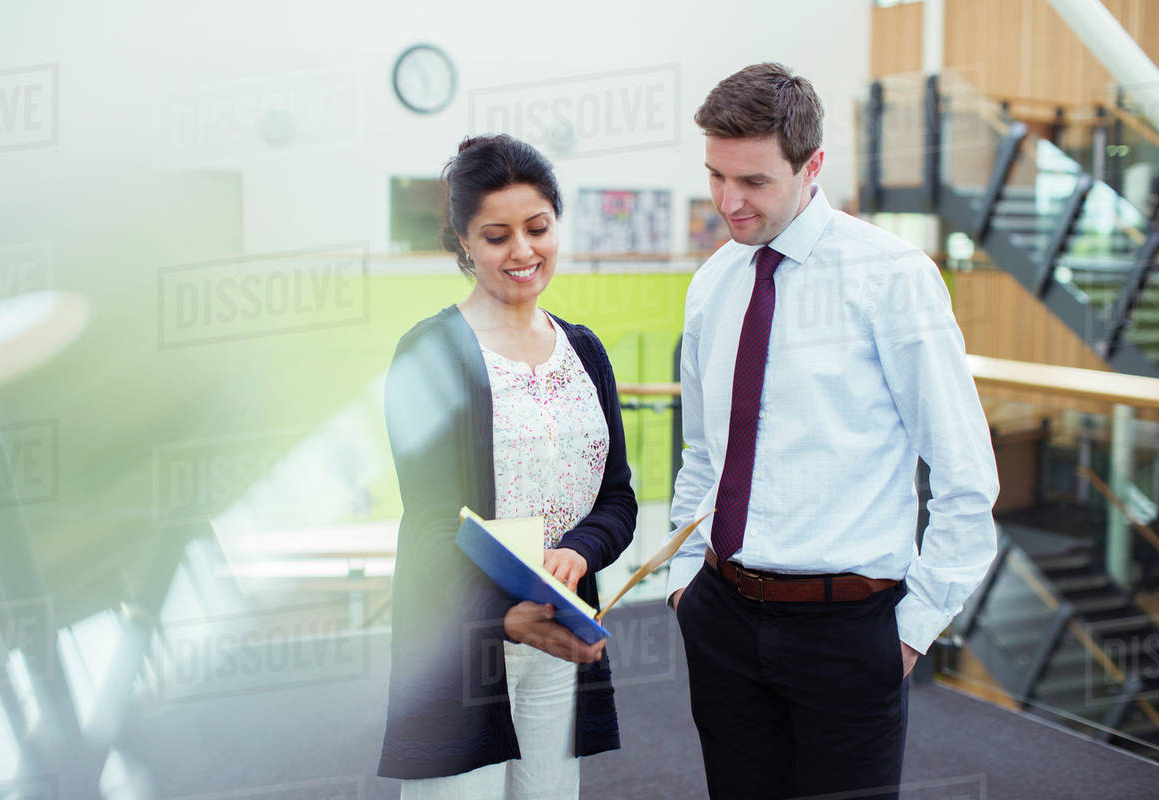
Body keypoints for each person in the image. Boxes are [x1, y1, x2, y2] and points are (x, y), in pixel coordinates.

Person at [666, 63, 1000, 800]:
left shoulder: (893, 277)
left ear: (812, 166)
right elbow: (703, 454)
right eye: (716, 176)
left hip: (850, 630)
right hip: (721, 615)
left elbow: (966, 475)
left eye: (753, 181)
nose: (728, 201)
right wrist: (685, 581)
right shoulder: (713, 281)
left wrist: (910, 631)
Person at [377, 134, 637, 799]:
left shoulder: (584, 352)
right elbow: (431, 523)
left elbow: (617, 498)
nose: (523, 251)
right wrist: (501, 616)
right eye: (497, 236)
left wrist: (579, 552)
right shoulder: (429, 354)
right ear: (464, 243)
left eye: (538, 228)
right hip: (460, 640)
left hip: (556, 637)